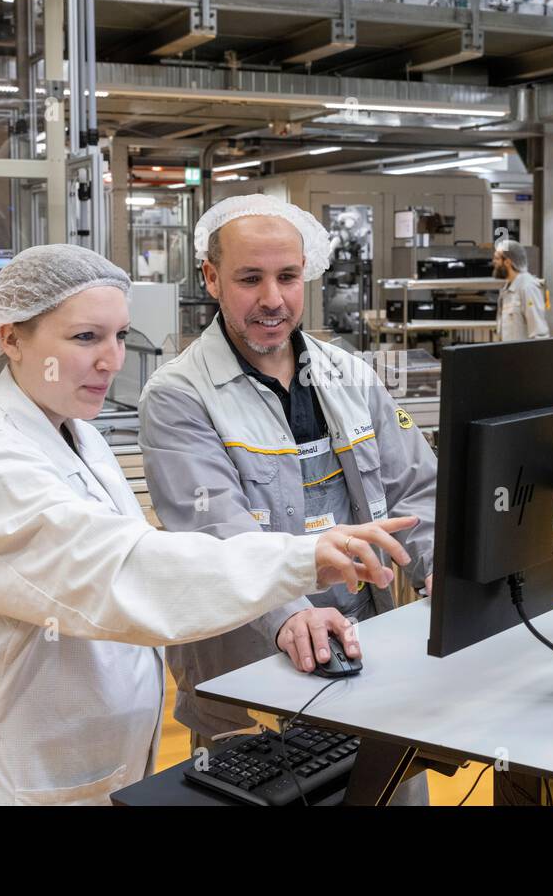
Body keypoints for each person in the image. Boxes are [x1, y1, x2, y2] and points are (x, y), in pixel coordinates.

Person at [0, 244, 417, 805]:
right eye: (85, 337)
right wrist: (300, 559)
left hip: (83, 763)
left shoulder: (76, 433)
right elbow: (120, 573)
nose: (112, 360)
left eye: (119, 336)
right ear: (12, 339)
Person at [138, 195, 436, 805]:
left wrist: (443, 568)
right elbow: (216, 528)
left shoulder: (351, 376)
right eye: (250, 278)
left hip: (370, 658)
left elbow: (418, 487)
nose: (272, 299)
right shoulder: (179, 396)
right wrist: (290, 616)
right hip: (251, 676)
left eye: (288, 277)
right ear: (211, 278)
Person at [492, 239, 549, 341]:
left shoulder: (528, 287)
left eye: (497, 258)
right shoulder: (506, 289)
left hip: (524, 351)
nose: (493, 262)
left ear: (508, 262)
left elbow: (539, 333)